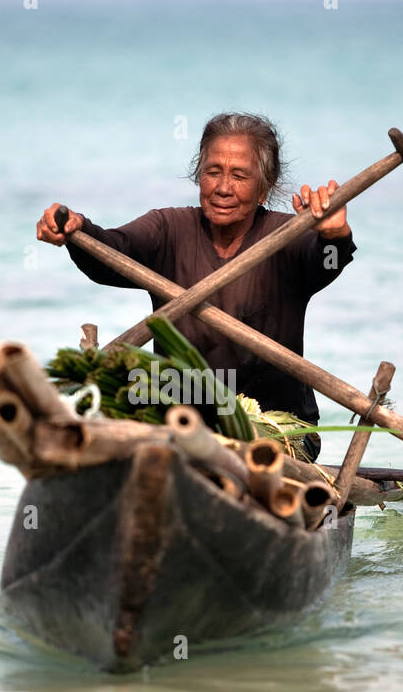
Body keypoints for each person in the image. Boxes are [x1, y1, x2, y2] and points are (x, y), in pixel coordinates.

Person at [37, 112, 355, 462]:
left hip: (276, 429)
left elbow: (325, 262)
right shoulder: (168, 229)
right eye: (213, 171)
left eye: (240, 175)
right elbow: (111, 253)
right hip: (179, 421)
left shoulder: (287, 238)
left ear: (265, 185)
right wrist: (76, 232)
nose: (223, 187)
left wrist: (334, 236)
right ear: (198, 175)